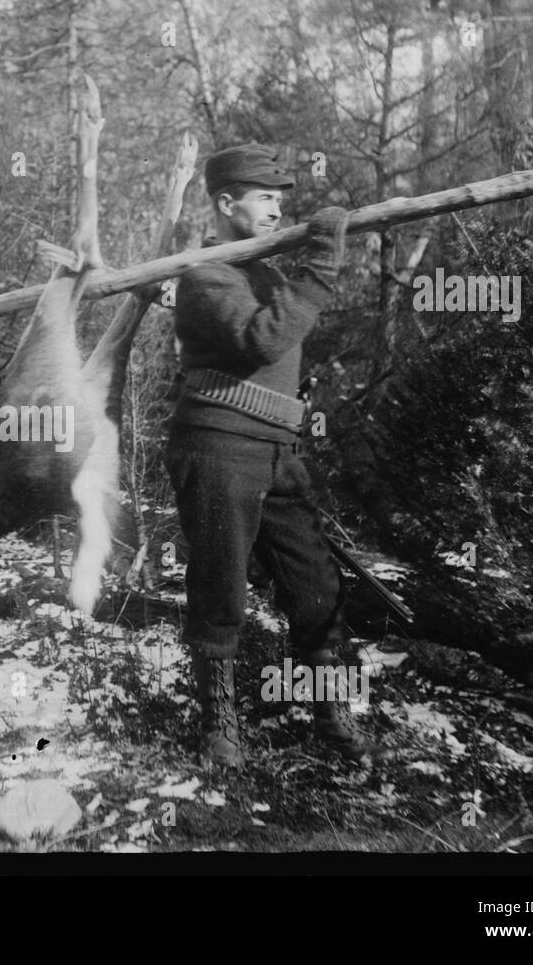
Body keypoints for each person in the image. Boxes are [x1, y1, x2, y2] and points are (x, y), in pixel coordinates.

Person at [167, 143, 391, 768]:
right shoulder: (206, 274)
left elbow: (283, 331)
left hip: (275, 449)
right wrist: (321, 266)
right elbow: (261, 339)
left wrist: (302, 267)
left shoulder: (264, 272)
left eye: (280, 200)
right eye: (265, 197)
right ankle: (219, 727)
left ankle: (330, 717)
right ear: (226, 202)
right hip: (216, 448)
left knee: (316, 586)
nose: (275, 209)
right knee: (220, 590)